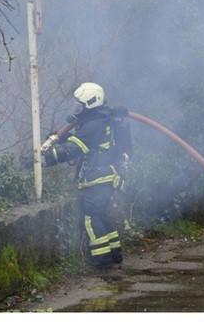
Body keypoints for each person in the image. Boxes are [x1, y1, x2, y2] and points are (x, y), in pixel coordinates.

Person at [41, 82, 132, 269]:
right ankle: (115, 255)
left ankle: (101, 261)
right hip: (105, 177)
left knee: (90, 217)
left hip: (99, 179)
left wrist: (44, 159)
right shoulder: (98, 119)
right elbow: (83, 140)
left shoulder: (95, 123)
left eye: (80, 104)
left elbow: (74, 149)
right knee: (102, 216)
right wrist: (62, 137)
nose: (77, 108)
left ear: (91, 102)